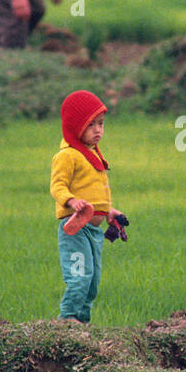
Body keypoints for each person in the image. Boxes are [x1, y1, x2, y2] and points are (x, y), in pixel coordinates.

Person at [49, 90, 127, 323]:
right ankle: (67, 318)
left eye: (101, 124)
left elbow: (97, 196)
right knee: (79, 276)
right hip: (75, 228)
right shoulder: (67, 156)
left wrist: (110, 212)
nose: (98, 130)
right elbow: (57, 186)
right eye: (90, 125)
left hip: (93, 231)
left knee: (93, 280)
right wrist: (72, 201)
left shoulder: (92, 155)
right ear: (75, 127)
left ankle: (81, 323)